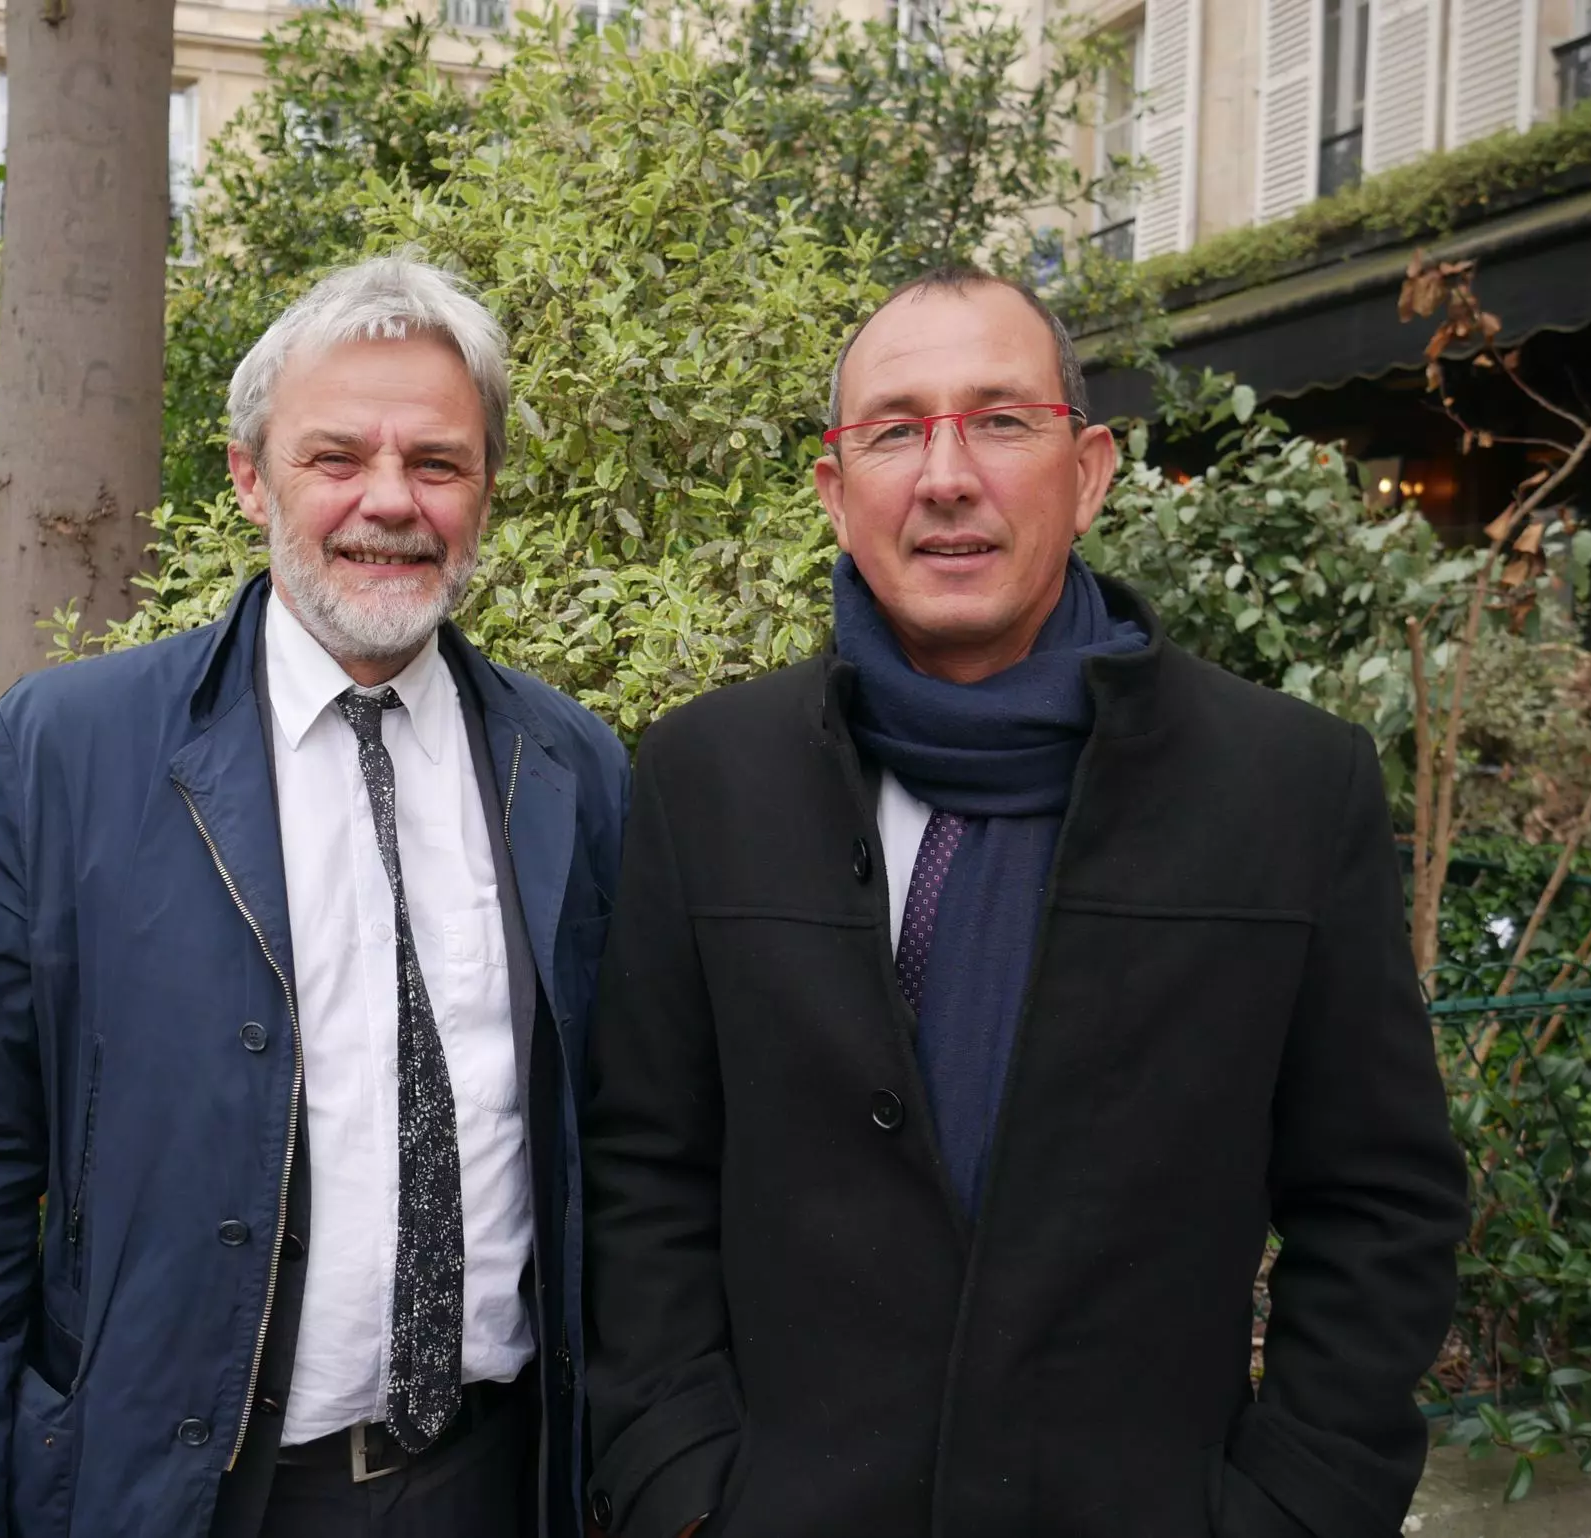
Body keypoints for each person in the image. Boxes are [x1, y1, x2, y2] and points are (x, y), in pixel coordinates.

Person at [580, 267, 1468, 1538]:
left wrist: (1294, 1503)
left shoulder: (1285, 788)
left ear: (1090, 468)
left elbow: (1379, 1201)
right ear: (836, 490)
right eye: (894, 428)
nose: (946, 473)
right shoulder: (704, 775)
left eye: (1000, 420)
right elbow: (644, 1169)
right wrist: (681, 1483)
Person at [0, 254, 629, 1538]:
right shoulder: (70, 751)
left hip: (499, 1484)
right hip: (190, 1491)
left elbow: (620, 1155)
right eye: (336, 456)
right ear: (248, 476)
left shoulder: (569, 768)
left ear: (483, 492)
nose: (388, 500)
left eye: (437, 463)